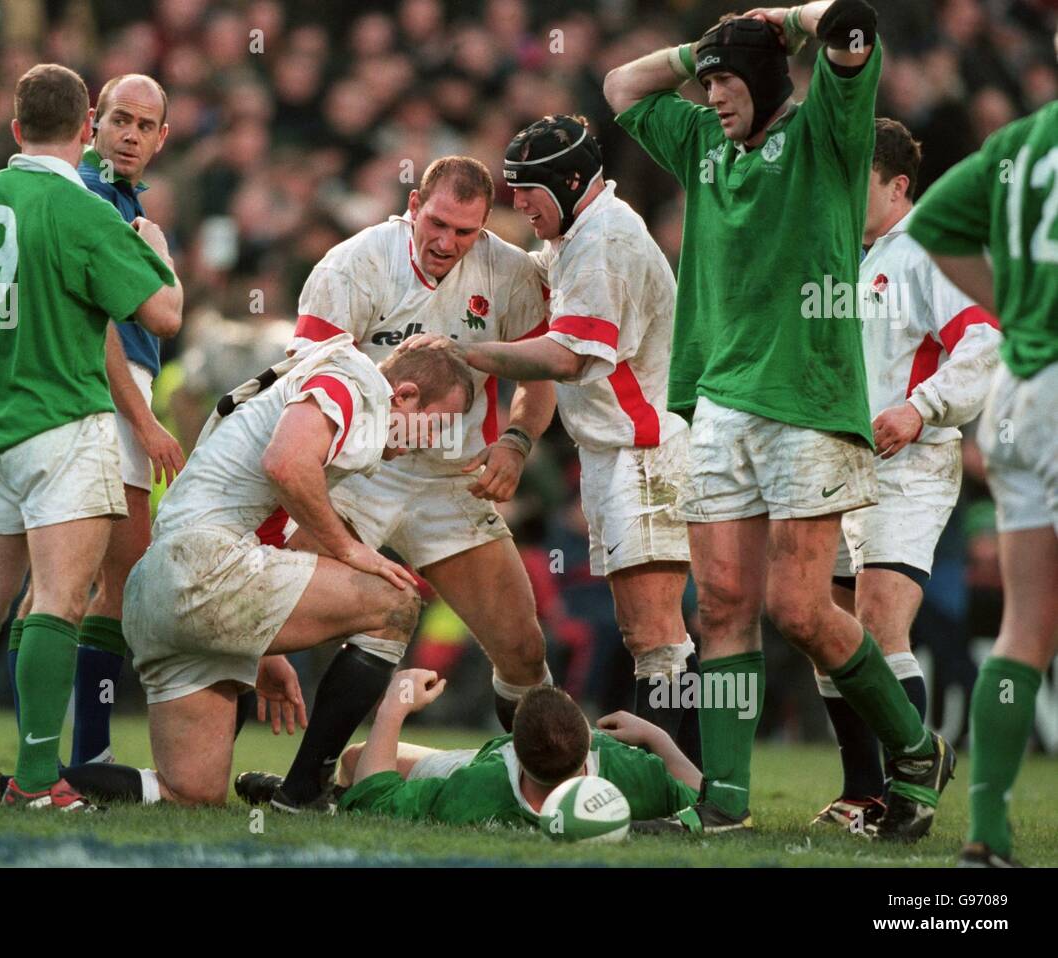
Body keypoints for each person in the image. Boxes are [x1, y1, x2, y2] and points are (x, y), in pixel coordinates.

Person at [604, 1, 953, 839]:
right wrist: (702, 48)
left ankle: (914, 748)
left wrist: (791, 21)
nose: (714, 95)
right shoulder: (704, 144)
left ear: (767, 77)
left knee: (800, 610)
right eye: (709, 82)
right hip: (720, 401)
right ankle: (723, 800)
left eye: (727, 82)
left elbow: (854, 24)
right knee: (720, 606)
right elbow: (620, 85)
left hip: (811, 400)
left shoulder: (827, 135)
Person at [237, 155, 560, 813]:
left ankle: (537, 794)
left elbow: (540, 379)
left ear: (483, 227)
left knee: (524, 652)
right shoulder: (352, 265)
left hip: (452, 480)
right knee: (257, 623)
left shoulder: (512, 276)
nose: (446, 242)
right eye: (437, 222)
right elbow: (305, 390)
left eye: (465, 232)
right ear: (414, 205)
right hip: (363, 470)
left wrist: (517, 443)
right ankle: (265, 782)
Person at [0, 63, 181, 811]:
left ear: (13, 129)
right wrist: (159, 250)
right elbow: (162, 315)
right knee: (62, 602)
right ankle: (39, 777)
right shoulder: (82, 210)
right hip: (64, 425)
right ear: (84, 128)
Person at [65, 337, 475, 808]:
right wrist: (350, 549)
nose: (432, 441)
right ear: (402, 395)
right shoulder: (353, 380)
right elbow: (285, 462)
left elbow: (274, 521)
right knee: (396, 602)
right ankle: (302, 793)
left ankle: (36, 783)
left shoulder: (327, 391)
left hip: (162, 588)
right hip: (204, 567)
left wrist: (266, 647)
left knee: (190, 792)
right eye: (436, 423)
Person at [403, 114, 699, 762]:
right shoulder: (575, 235)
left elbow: (567, 355)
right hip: (611, 449)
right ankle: (680, 779)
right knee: (642, 630)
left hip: (642, 448)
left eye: (527, 191)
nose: (519, 205)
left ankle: (687, 783)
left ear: (570, 182)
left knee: (657, 632)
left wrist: (470, 354)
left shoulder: (605, 241)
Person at [814, 118, 1000, 831]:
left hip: (908, 460)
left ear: (897, 185)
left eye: (854, 179)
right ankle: (863, 788)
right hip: (832, 459)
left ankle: (912, 792)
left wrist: (920, 409)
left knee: (878, 621)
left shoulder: (932, 248)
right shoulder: (844, 253)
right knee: (822, 629)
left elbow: (982, 340)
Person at [906, 32, 1058, 866]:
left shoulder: (1027, 142)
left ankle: (988, 835)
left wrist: (1019, 309)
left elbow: (932, 221)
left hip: (1018, 397)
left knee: (1028, 625)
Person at [5, 73, 185, 767]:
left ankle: (82, 752)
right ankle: (53, 751)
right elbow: (107, 330)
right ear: (91, 122)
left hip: (108, 396)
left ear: (163, 136)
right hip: (94, 398)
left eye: (145, 124)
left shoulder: (121, 201)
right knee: (69, 581)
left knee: (112, 576)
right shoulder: (82, 197)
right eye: (119, 120)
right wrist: (142, 419)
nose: (131, 134)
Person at [336, 670, 700, 828]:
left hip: (483, 771)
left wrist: (394, 706)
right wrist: (657, 737)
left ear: (512, 749)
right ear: (590, 738)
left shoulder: (476, 787)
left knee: (355, 757)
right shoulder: (633, 773)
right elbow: (704, 798)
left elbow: (375, 797)